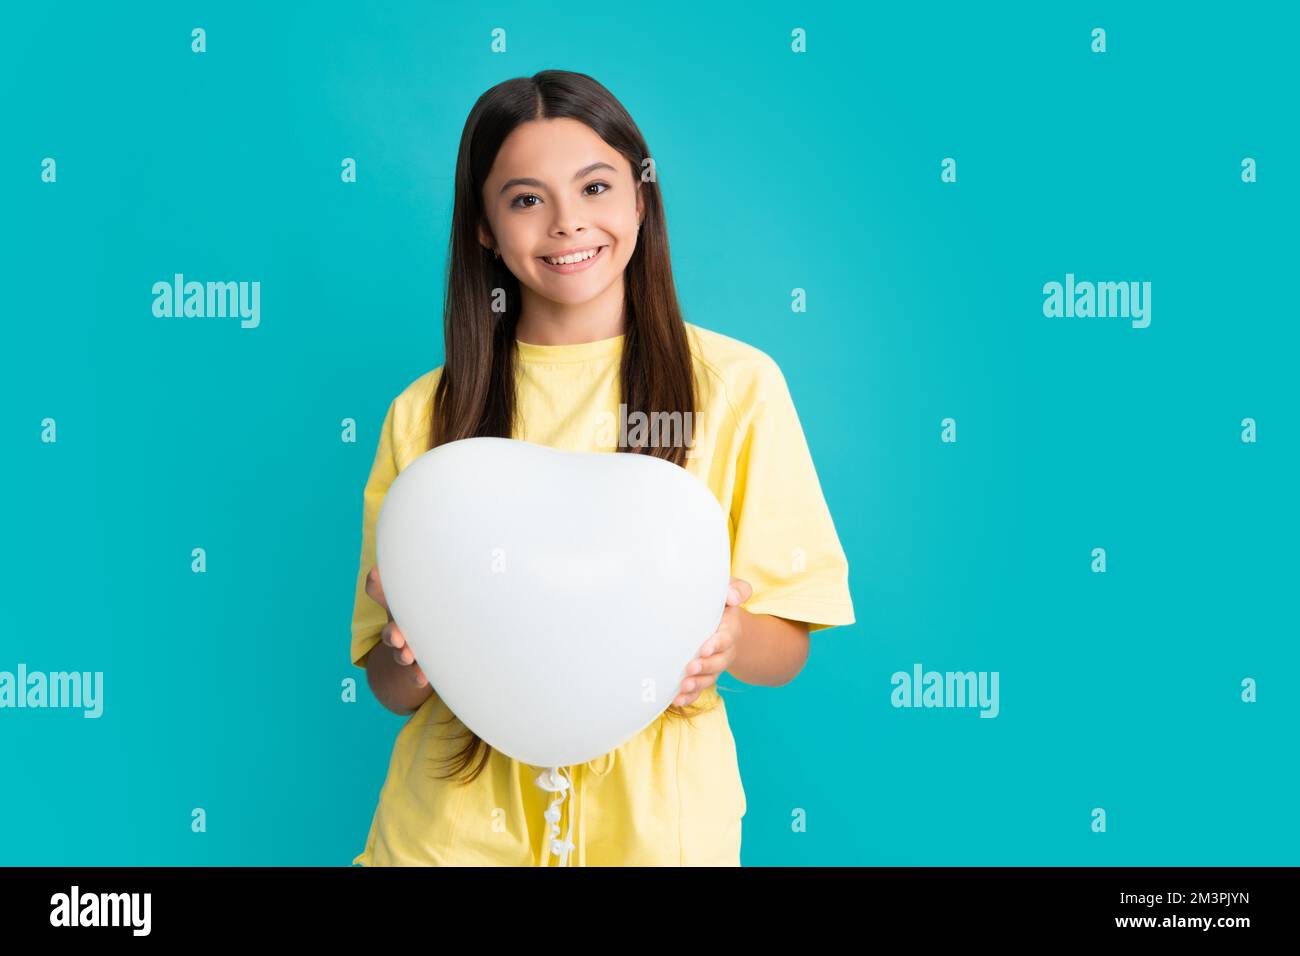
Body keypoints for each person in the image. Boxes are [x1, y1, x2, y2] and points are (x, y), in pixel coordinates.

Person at [349, 70, 855, 866]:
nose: (567, 224)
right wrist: (413, 645)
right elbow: (386, 686)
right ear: (483, 226)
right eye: (525, 199)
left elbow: (786, 648)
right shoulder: (426, 411)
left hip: (658, 834)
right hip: (447, 836)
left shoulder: (735, 386)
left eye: (594, 187)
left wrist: (724, 639)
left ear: (641, 198)